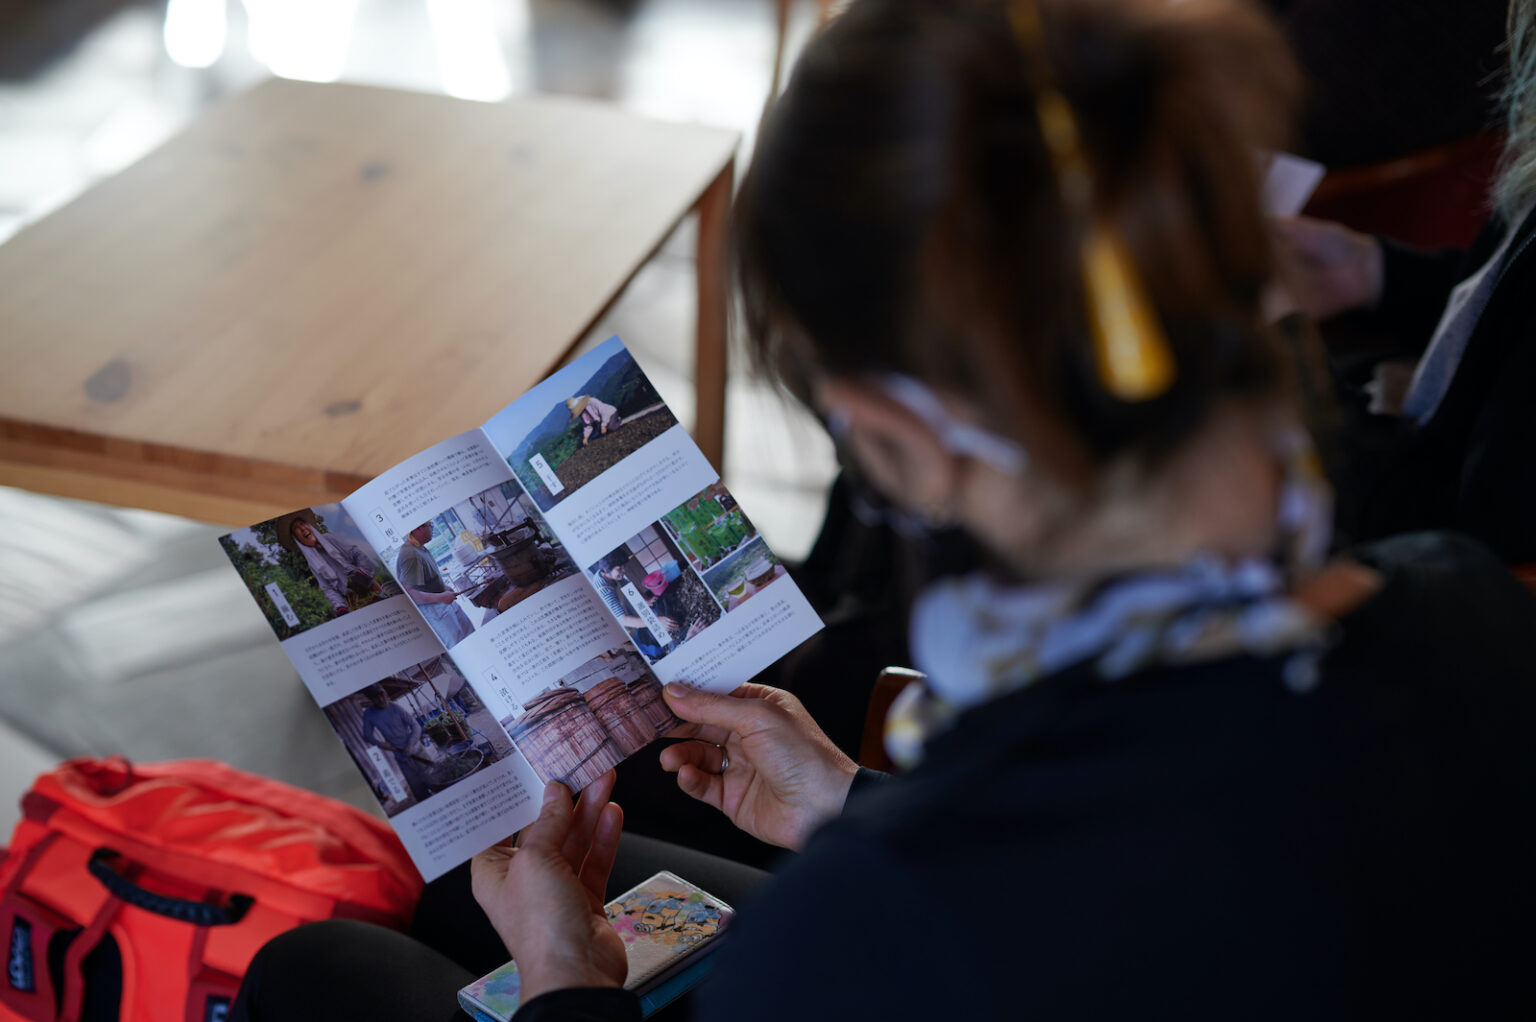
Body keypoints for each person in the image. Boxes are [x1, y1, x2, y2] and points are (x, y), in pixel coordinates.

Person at [234, 0, 1536, 1019]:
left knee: (324, 973)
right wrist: (847, 803)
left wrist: (573, 981)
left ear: (903, 433)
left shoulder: (871, 934)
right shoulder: (1467, 603)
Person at [1273, 0, 1536, 563]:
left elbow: (1469, 539)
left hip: (1427, 573)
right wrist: (1378, 275)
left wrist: (1282, 351)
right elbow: (1509, 308)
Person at [274, 509, 386, 617]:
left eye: (303, 523)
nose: (303, 529)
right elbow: (327, 588)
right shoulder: (312, 562)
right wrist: (340, 607)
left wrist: (362, 573)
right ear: (296, 538)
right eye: (296, 528)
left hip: (367, 585)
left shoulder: (329, 539)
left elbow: (355, 553)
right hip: (352, 598)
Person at [397, 521, 475, 646]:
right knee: (459, 644)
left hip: (443, 600)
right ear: (418, 529)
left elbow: (427, 578)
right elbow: (409, 593)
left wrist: (443, 587)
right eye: (430, 526)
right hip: (434, 608)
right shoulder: (410, 555)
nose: (432, 528)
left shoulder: (421, 548)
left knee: (470, 633)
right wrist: (441, 597)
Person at [358, 684, 432, 805]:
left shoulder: (395, 708)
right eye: (376, 698)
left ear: (385, 694)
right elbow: (367, 736)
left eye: (382, 695)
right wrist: (381, 744)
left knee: (433, 779)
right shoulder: (369, 714)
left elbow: (415, 726)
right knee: (419, 790)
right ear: (371, 700)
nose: (381, 700)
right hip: (401, 757)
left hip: (417, 751)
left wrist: (411, 744)